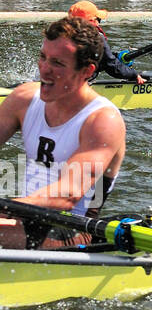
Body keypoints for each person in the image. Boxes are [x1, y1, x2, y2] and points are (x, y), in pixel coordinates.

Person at [0, 17, 127, 248]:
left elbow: (67, 195)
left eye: (57, 63)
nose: (44, 70)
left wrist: (6, 208)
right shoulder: (23, 98)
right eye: (43, 57)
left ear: (87, 71)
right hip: (24, 216)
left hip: (73, 230)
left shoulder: (102, 120)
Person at [66, 0, 145, 85]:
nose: (99, 23)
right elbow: (111, 66)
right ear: (91, 21)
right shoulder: (95, 37)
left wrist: (114, 57)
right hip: (79, 86)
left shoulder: (62, 34)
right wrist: (133, 74)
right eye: (98, 19)